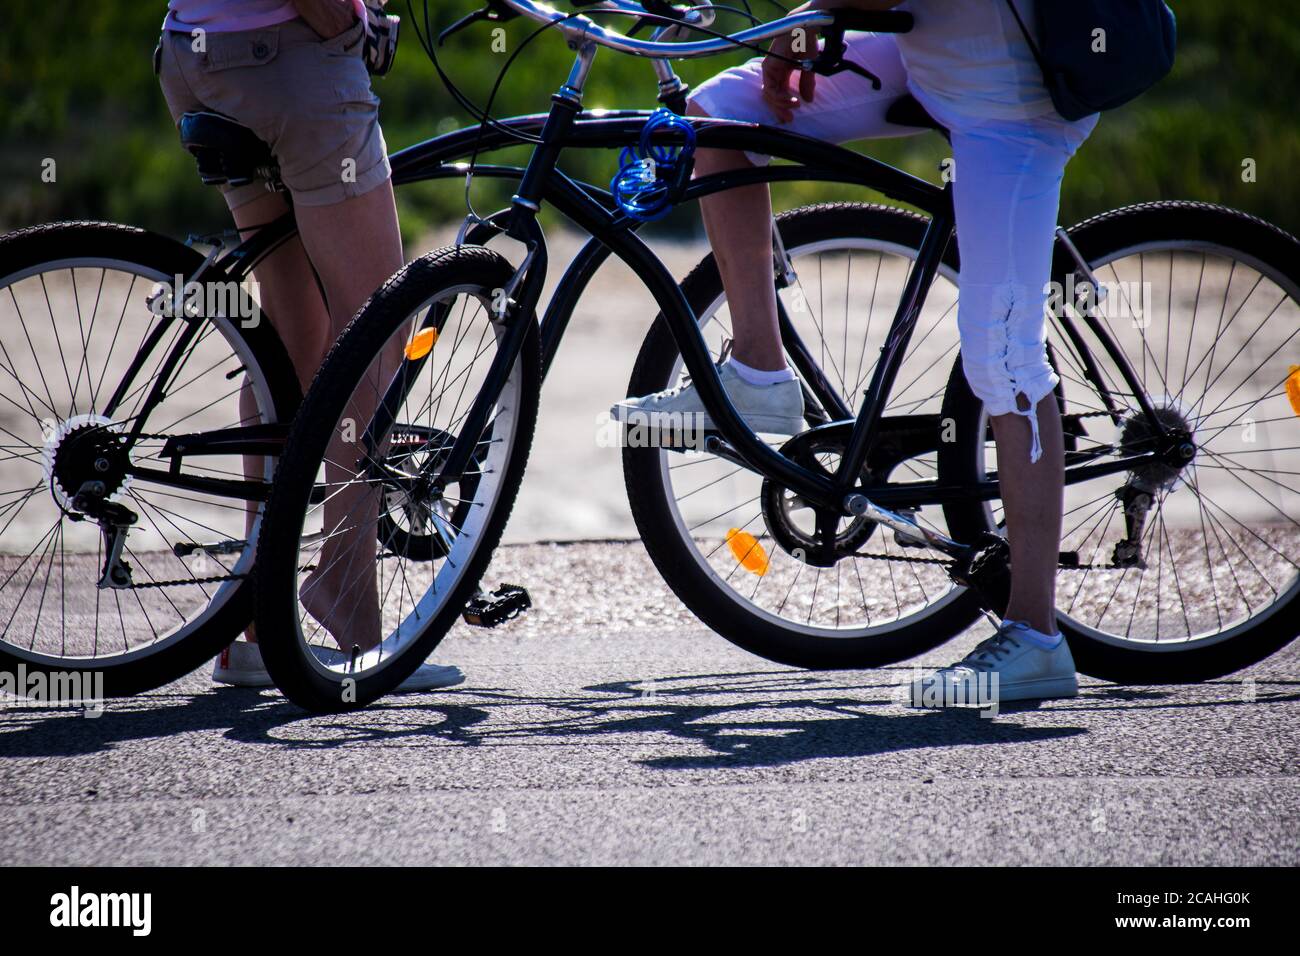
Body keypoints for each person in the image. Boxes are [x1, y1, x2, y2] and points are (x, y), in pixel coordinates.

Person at [612, 0, 1099, 704]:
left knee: (1003, 359)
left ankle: (1036, 637)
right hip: (930, 53)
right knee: (715, 119)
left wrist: (816, 16)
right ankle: (757, 370)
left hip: (1011, 89)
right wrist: (811, 19)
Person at [157, 0, 462, 691]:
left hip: (195, 50)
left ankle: (254, 621)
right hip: (286, 58)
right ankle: (346, 595)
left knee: (291, 334)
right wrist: (347, 23)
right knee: (379, 323)